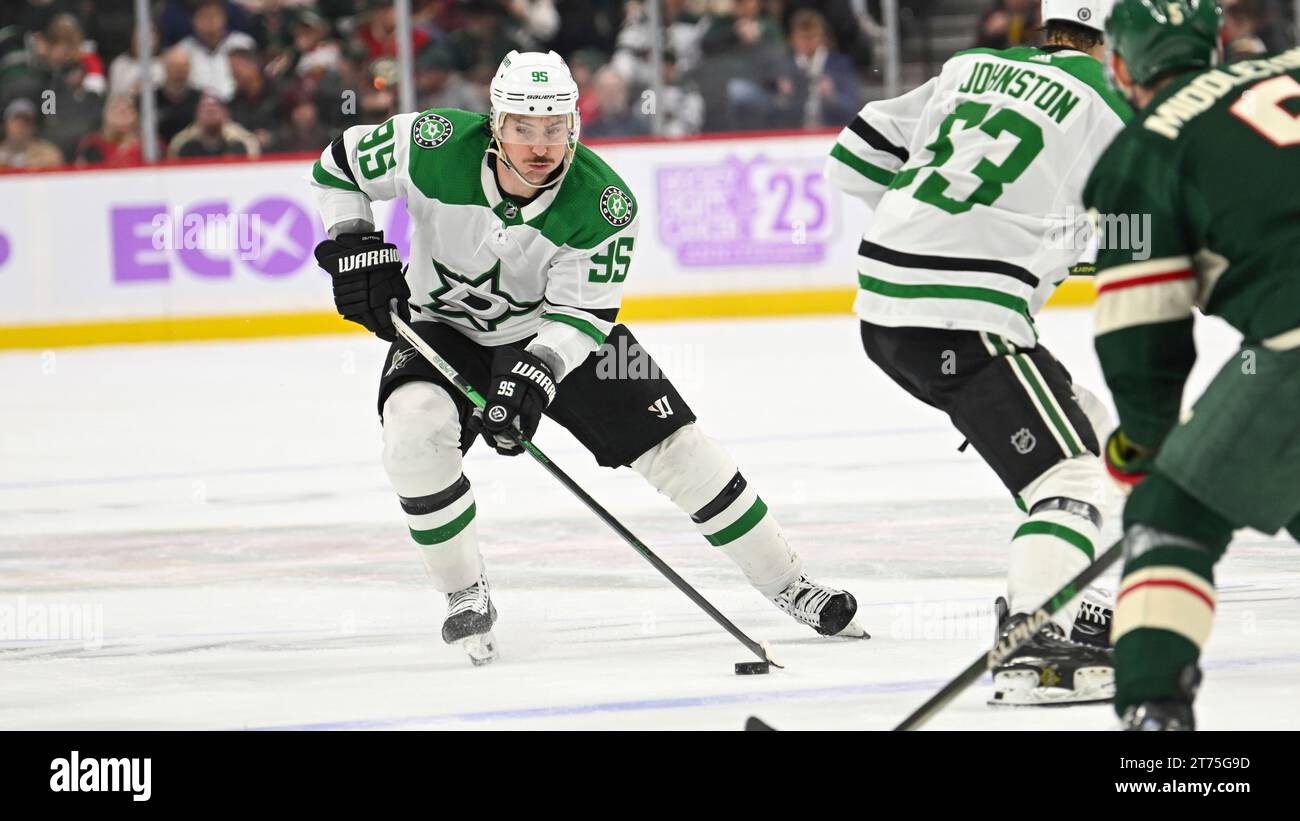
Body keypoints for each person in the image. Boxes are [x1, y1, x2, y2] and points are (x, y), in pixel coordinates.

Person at [308, 51, 866, 665]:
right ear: (495, 123)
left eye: (554, 126)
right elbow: (337, 167)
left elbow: (583, 318)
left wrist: (535, 373)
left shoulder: (603, 205)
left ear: (575, 122)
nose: (540, 144)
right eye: (523, 126)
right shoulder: (431, 143)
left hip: (553, 332)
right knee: (412, 433)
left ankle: (790, 584)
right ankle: (463, 590)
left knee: (681, 450)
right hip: (443, 328)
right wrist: (352, 241)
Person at [826, 0, 1131, 705]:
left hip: (887, 309)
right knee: (1075, 474)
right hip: (965, 318)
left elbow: (855, 156)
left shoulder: (970, 65)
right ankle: (1033, 642)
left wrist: (938, 232)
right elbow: (1151, 235)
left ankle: (1073, 592)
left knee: (1089, 421)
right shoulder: (1115, 103)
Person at [1084, 0, 1300, 730]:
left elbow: (1140, 340)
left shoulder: (1137, 153)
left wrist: (1144, 446)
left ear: (1119, 66)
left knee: (1171, 517)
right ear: (1211, 45)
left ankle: (1158, 732)